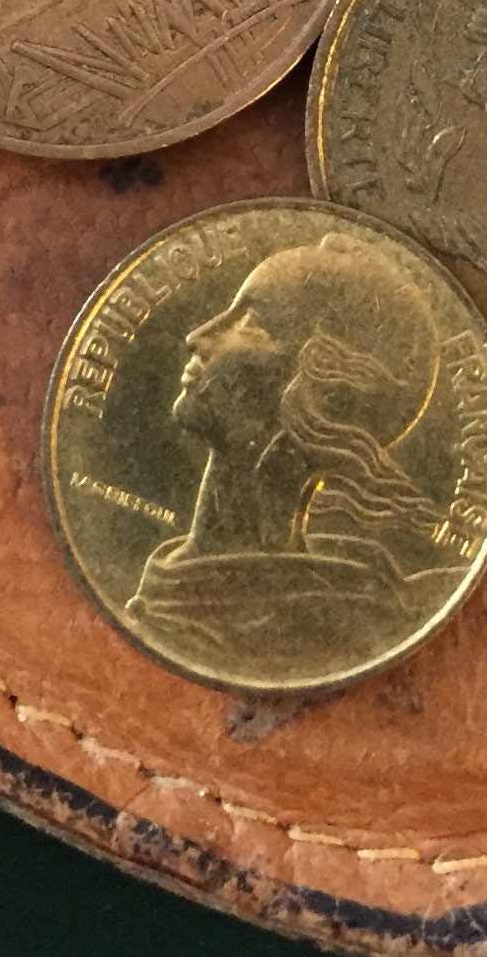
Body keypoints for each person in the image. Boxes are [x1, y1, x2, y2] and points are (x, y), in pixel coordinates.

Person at [127, 232, 462, 677]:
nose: (197, 336)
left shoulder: (295, 629)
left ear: (317, 399)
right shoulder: (175, 583)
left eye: (250, 324)